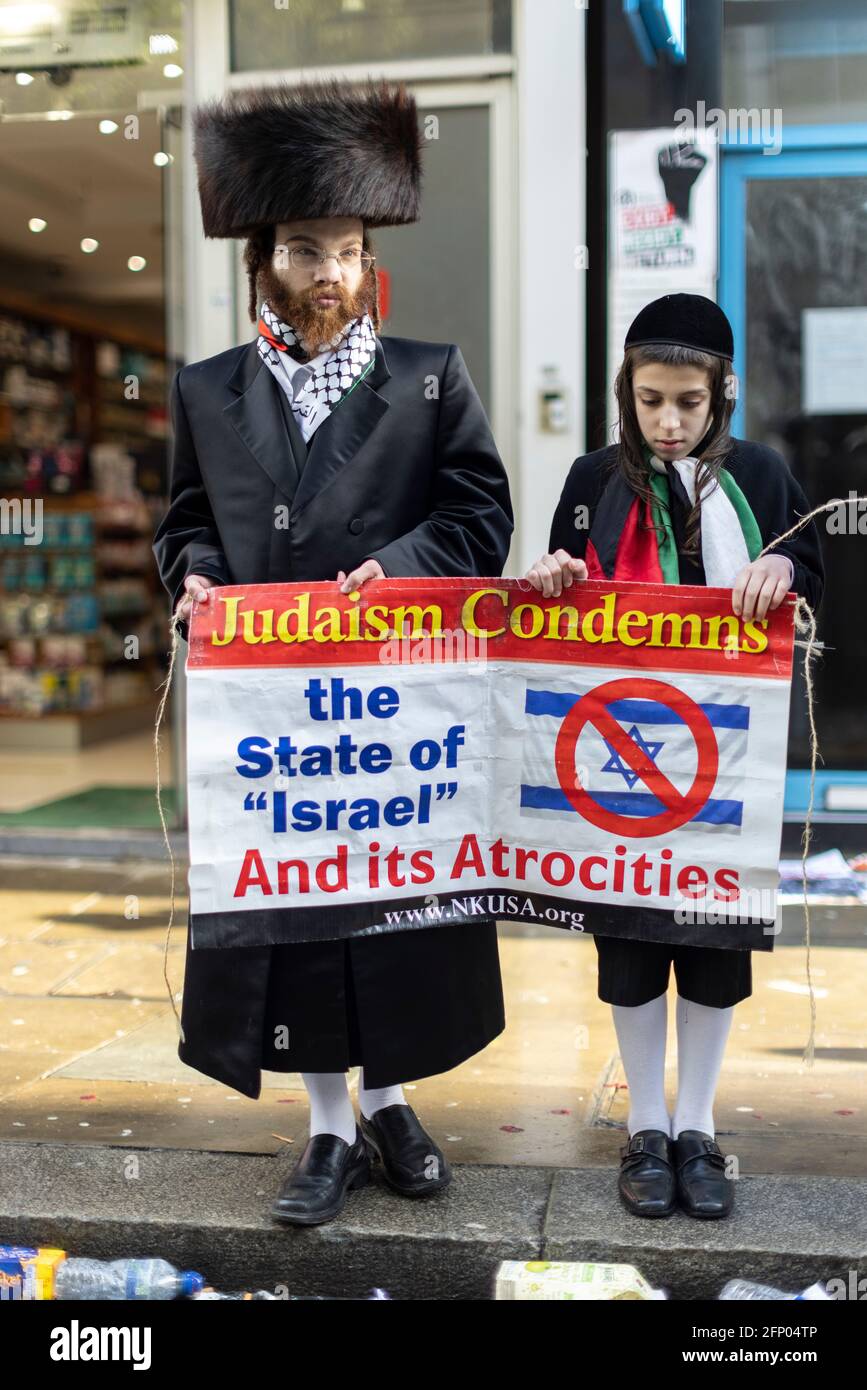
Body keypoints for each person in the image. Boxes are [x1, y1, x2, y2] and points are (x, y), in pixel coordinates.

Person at [152, 79, 513, 1226]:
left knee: (393, 906)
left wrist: (400, 566)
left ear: (369, 263)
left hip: (398, 699)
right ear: (264, 259)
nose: (330, 273)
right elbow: (183, 521)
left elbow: (480, 515)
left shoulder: (430, 374)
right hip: (271, 711)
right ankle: (325, 1128)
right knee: (299, 911)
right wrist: (195, 575)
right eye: (307, 249)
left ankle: (391, 1101)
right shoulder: (205, 391)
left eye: (348, 251)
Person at [524, 293, 824, 1220]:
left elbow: (811, 592)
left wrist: (787, 574)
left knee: (712, 945)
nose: (666, 421)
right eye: (649, 399)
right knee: (627, 940)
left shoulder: (768, 477)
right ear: (626, 389)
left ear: (721, 393)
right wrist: (553, 578)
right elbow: (554, 585)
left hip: (723, 760)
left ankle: (697, 1127)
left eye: (687, 402)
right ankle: (643, 1128)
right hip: (618, 753)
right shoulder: (589, 478)